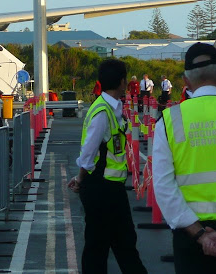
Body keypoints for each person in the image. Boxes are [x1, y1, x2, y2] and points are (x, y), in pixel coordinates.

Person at [152, 43, 216, 272]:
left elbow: (164, 188)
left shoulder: (169, 120)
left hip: (191, 236)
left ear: (186, 82)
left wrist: (201, 236)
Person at [68, 59, 147, 274]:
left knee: (122, 243)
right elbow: (88, 154)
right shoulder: (103, 112)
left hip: (111, 187)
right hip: (102, 187)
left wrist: (80, 179)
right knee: (100, 247)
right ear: (122, 82)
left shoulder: (112, 108)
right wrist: (81, 178)